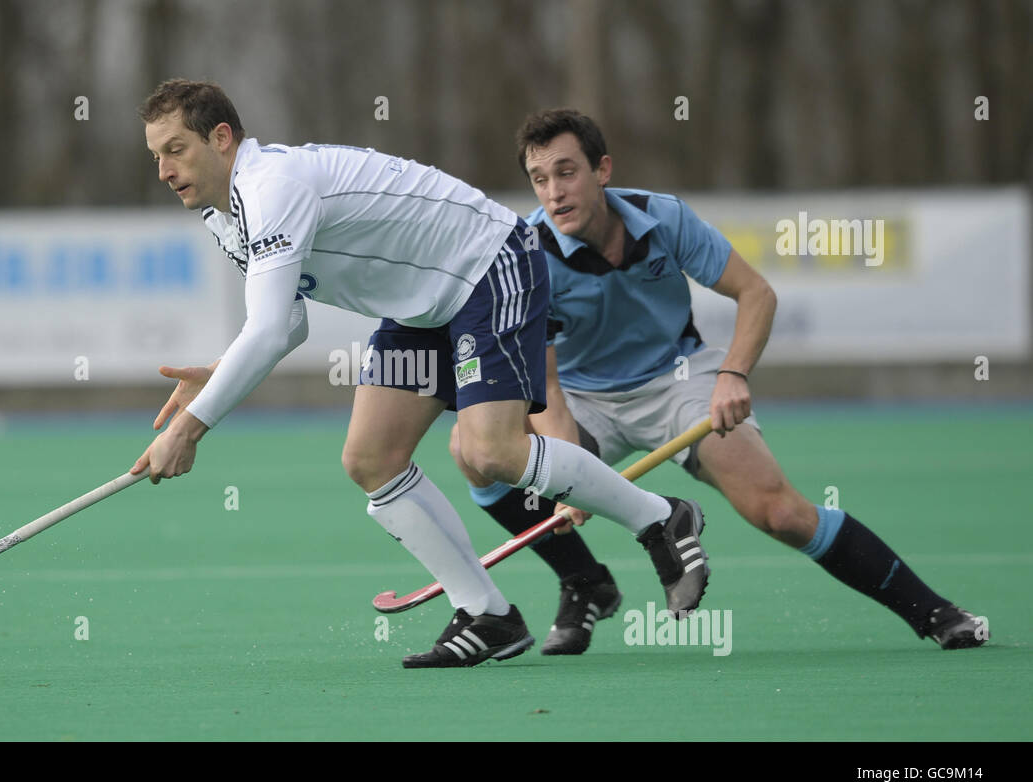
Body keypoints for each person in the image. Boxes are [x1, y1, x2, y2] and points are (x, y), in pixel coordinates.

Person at [128, 80, 712, 668]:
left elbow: (270, 328)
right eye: (156, 155)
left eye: (175, 149)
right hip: (423, 306)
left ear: (222, 138)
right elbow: (287, 325)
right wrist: (219, 372)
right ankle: (488, 614)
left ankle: (661, 520)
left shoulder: (271, 188)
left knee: (493, 452)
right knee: (370, 459)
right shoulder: (225, 215)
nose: (163, 169)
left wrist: (188, 429)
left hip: (489, 265)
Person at [449, 108, 988, 655]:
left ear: (603, 170)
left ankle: (936, 612)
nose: (554, 192)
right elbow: (546, 383)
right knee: (470, 448)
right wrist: (565, 473)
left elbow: (756, 293)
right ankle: (586, 583)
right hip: (582, 399)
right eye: (540, 180)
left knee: (778, 512)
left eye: (566, 172)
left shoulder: (665, 219)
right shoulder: (529, 255)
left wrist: (732, 374)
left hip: (679, 381)